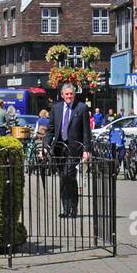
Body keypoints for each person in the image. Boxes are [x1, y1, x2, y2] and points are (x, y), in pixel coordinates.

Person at [48, 82, 91, 216]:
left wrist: (86, 149)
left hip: (74, 149)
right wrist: (45, 147)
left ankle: (73, 207)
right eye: (66, 94)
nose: (69, 96)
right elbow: (51, 130)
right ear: (62, 95)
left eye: (71, 94)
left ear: (74, 95)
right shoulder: (56, 108)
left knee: (68, 175)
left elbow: (86, 131)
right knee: (63, 178)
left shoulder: (81, 108)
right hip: (59, 149)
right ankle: (66, 209)